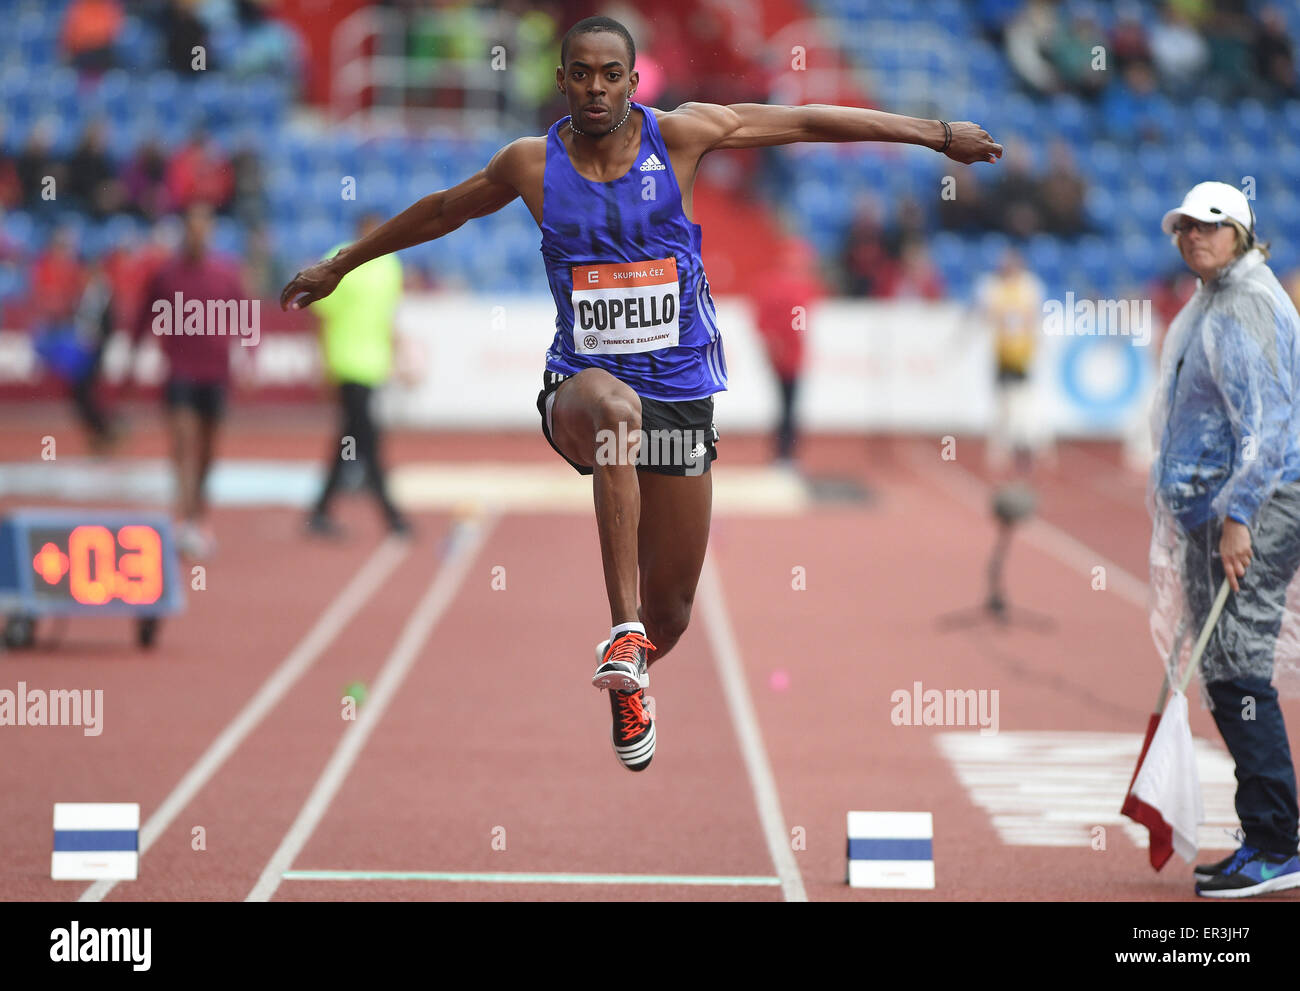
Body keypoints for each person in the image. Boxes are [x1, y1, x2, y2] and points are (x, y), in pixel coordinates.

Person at [281, 15, 1002, 772]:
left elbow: (806, 120)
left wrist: (935, 131)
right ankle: (623, 637)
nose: (596, 87)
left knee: (676, 612)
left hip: (681, 394)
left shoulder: (683, 136)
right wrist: (343, 263)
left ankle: (637, 663)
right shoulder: (530, 163)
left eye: (610, 74)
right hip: (581, 388)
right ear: (561, 81)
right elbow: (440, 210)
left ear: (633, 79)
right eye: (581, 73)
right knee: (617, 416)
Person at [1148, 181, 1300, 897]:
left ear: (1239, 233)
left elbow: (1269, 424)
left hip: (1256, 505)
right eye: (1184, 228)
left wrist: (1240, 515)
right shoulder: (1213, 297)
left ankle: (1276, 841)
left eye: (1209, 227)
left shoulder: (1243, 303)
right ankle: (1266, 831)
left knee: (1239, 666)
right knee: (1223, 666)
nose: (1193, 238)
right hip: (1214, 504)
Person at [133, 203, 249, 559]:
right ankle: (183, 521)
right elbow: (143, 316)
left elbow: (246, 315)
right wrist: (132, 357)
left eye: (204, 229)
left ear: (211, 233)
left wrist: (250, 357)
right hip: (179, 373)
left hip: (216, 375)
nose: (198, 235)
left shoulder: (226, 274)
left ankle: (199, 515)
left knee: (208, 452)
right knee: (183, 443)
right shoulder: (165, 275)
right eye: (192, 228)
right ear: (185, 232)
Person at [306, 213, 410, 538]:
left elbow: (387, 316)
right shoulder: (337, 261)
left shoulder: (391, 267)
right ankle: (392, 517)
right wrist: (322, 363)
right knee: (368, 440)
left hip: (373, 366)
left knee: (350, 440)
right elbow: (321, 316)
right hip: (347, 363)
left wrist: (398, 355)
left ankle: (320, 511)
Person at [974, 249, 1046, 474]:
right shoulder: (993, 287)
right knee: (1002, 401)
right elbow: (988, 315)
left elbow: (1033, 317)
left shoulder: (1029, 287)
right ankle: (1002, 445)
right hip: (1002, 351)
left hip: (1023, 352)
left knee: (1023, 400)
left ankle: (1026, 442)